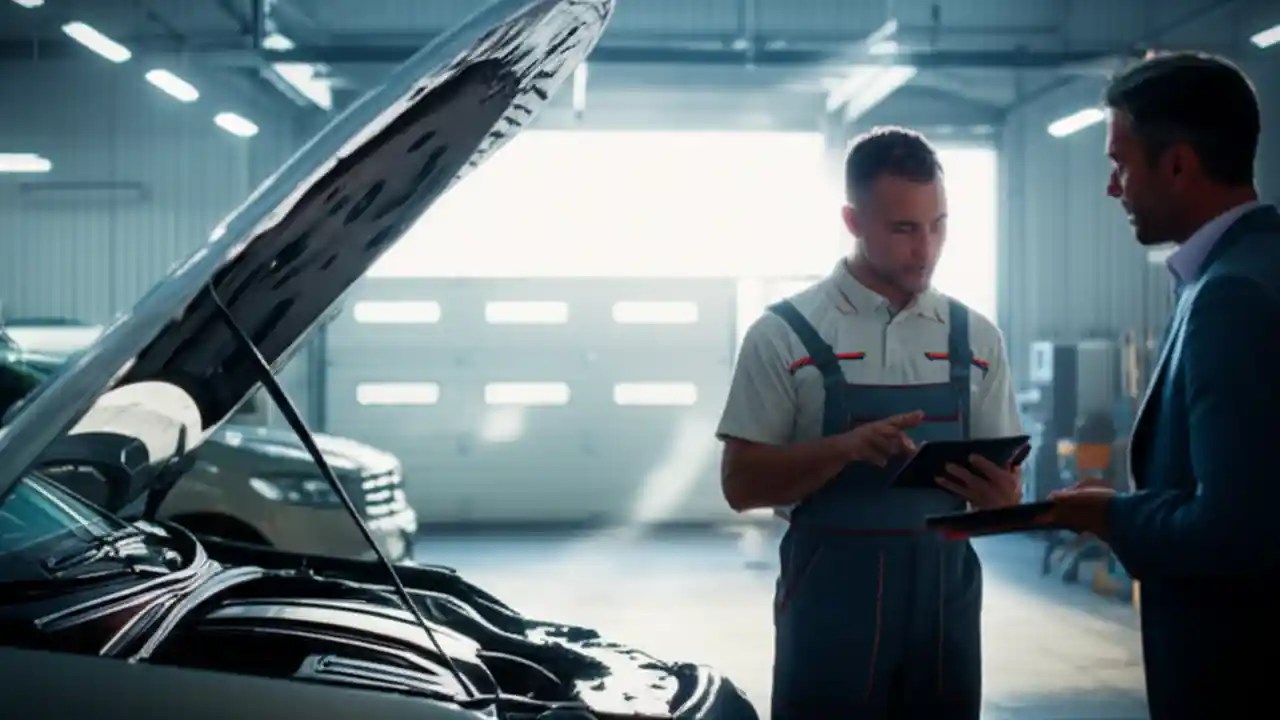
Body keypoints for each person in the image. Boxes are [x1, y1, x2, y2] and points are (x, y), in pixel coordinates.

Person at [716, 126, 1024, 719]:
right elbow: (740, 485)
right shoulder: (785, 335)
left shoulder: (977, 340)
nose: (926, 249)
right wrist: (844, 449)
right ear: (853, 221)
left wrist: (1003, 499)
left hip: (944, 606)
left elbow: (1003, 499)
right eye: (903, 229)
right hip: (831, 606)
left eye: (938, 225)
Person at [1045, 52, 1280, 720]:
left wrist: (1112, 515)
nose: (1111, 188)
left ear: (1177, 165)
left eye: (1120, 164)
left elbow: (1236, 528)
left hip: (1237, 671)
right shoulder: (1258, 267)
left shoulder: (1230, 297)